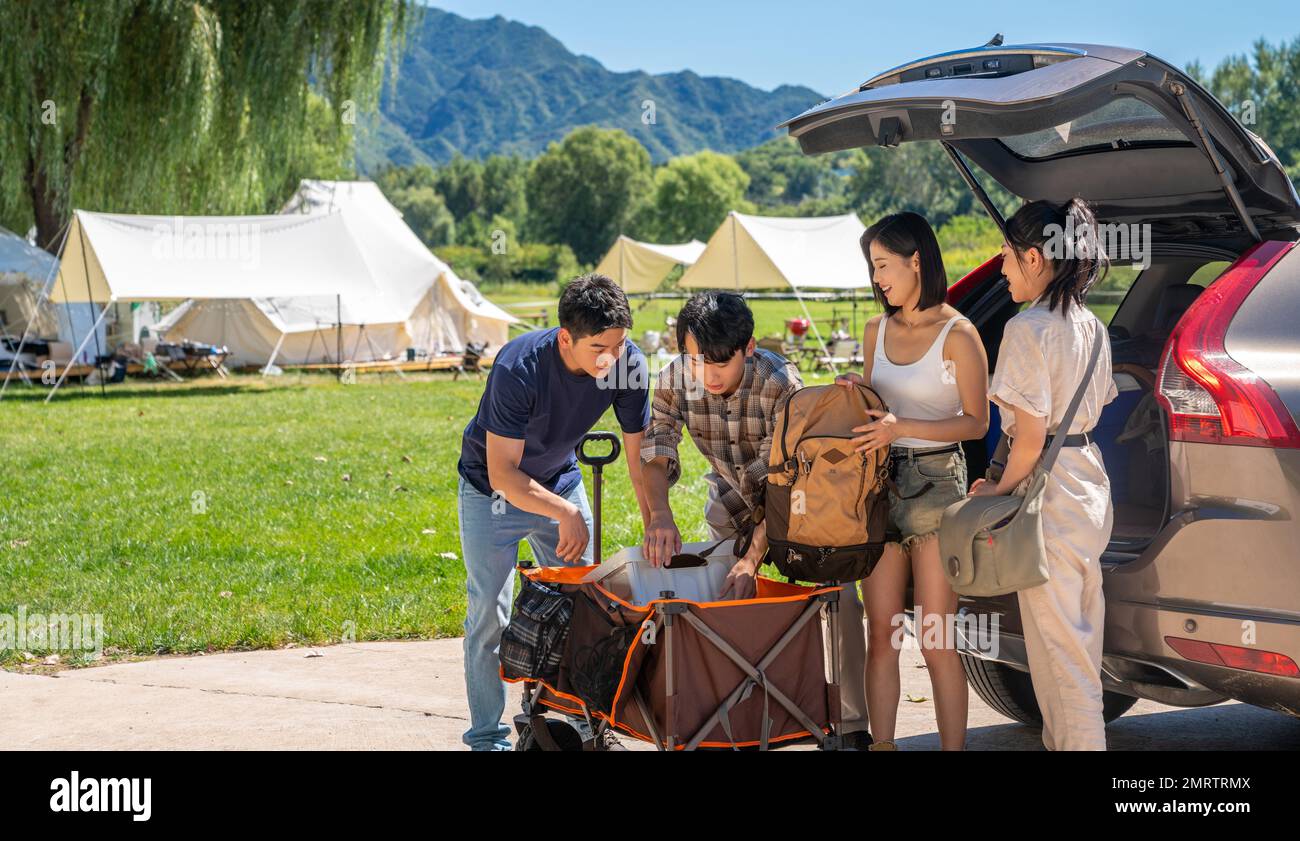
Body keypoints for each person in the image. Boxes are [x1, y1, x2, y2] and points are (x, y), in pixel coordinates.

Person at [640, 290, 874, 748]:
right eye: (694, 360)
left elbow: (787, 484)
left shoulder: (782, 384)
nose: (705, 374)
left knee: (841, 600)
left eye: (718, 364)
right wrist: (660, 514)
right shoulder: (674, 378)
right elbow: (657, 448)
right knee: (723, 603)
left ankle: (851, 726)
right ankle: (736, 721)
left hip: (803, 503)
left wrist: (752, 559)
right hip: (729, 500)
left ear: (747, 348)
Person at [456, 273, 653, 751]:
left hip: (558, 482)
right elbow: (503, 474)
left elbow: (638, 458)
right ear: (566, 337)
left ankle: (585, 729)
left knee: (585, 612)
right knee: (489, 613)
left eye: (620, 344)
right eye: (599, 348)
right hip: (491, 492)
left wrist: (655, 525)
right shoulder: (518, 367)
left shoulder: (626, 365)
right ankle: (487, 739)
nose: (613, 358)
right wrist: (565, 512)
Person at [836, 211, 989, 751]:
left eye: (882, 266)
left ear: (916, 261)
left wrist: (904, 427)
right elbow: (879, 407)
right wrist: (857, 392)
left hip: (938, 485)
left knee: (936, 638)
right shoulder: (876, 328)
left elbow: (977, 422)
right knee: (881, 633)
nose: (877, 279)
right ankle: (884, 746)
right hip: (879, 486)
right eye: (872, 268)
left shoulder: (959, 334)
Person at [969, 198, 1118, 751]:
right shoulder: (1094, 328)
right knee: (1077, 640)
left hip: (1048, 500)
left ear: (1034, 258)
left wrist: (994, 491)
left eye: (1006, 255)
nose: (1002, 268)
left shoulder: (1027, 330)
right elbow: (1090, 411)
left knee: (1063, 658)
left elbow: (1029, 439)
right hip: (1088, 487)